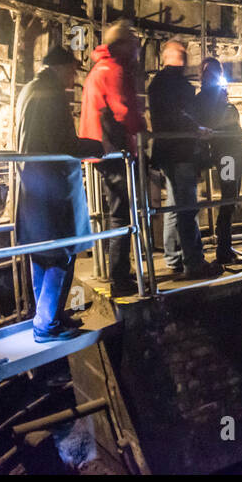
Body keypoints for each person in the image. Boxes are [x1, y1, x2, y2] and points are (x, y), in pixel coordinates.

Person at [15, 45, 101, 341]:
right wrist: (99, 147)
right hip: (54, 188)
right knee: (61, 254)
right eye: (72, 70)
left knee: (42, 254)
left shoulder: (29, 89)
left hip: (35, 187)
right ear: (60, 67)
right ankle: (46, 325)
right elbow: (65, 143)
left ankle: (50, 314)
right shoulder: (51, 93)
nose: (74, 77)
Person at [78, 20, 148, 297]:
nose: (136, 48)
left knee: (115, 212)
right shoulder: (115, 70)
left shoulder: (98, 69)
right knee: (120, 214)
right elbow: (125, 112)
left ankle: (115, 271)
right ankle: (120, 278)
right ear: (120, 45)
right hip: (114, 150)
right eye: (132, 43)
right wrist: (144, 134)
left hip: (102, 149)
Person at [146, 41, 220, 280]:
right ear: (171, 56)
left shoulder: (157, 83)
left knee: (175, 207)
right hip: (181, 152)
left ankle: (173, 257)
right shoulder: (177, 85)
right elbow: (178, 115)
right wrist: (197, 128)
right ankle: (194, 263)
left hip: (166, 152)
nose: (185, 59)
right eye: (182, 54)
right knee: (187, 207)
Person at [195, 57, 242, 266]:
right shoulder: (211, 97)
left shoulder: (206, 96)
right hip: (227, 156)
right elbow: (222, 124)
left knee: (230, 200)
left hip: (228, 155)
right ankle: (224, 250)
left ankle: (225, 247)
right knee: (229, 201)